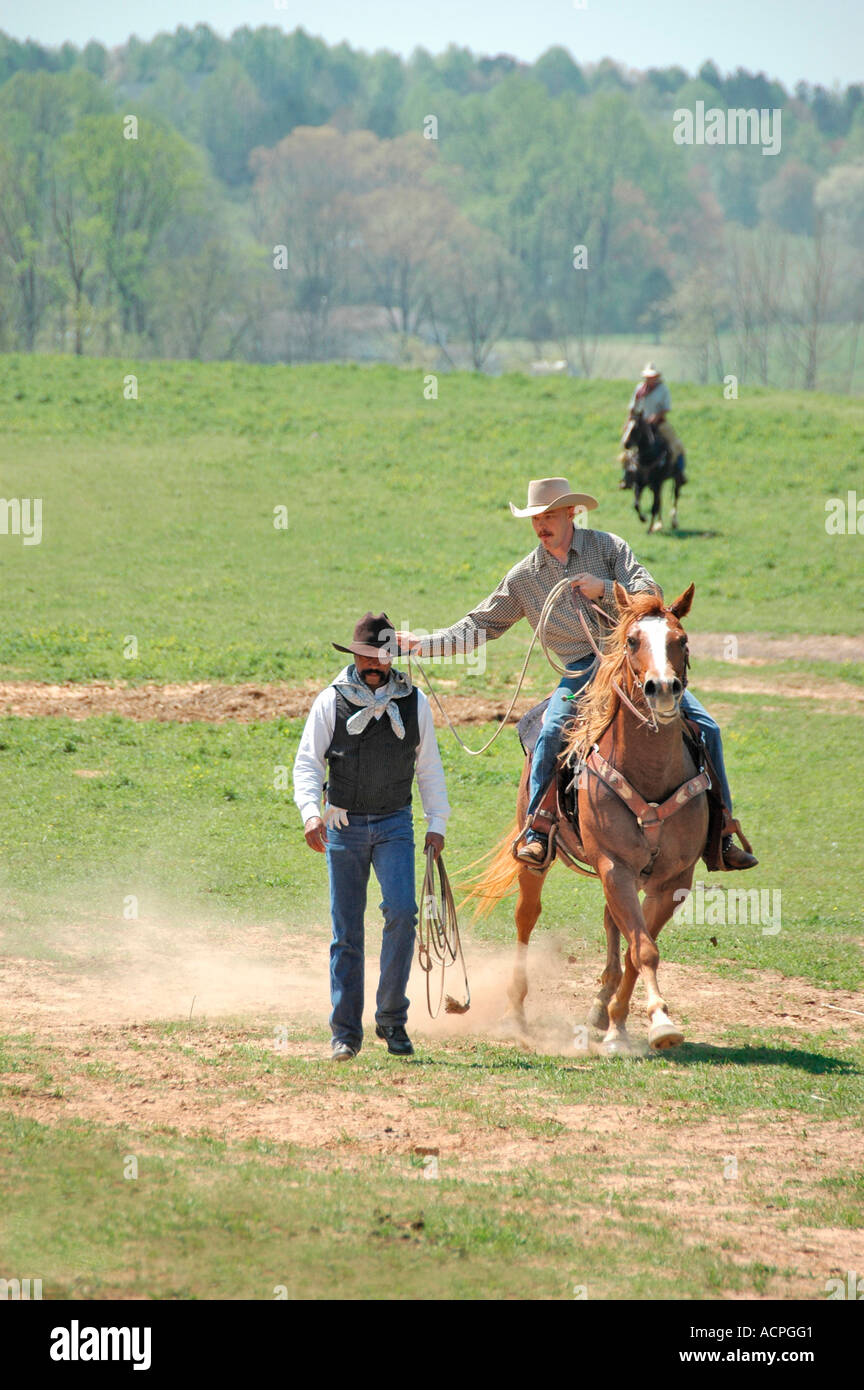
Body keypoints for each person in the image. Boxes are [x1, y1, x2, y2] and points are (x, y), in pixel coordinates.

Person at [396, 478, 756, 871]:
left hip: (630, 665)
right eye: (536, 518)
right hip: (581, 673)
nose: (541, 526)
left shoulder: (608, 548)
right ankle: (537, 827)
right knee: (552, 730)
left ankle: (721, 831)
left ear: (571, 513)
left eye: (549, 515)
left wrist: (605, 588)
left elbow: (650, 592)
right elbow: (481, 625)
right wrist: (421, 643)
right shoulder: (525, 578)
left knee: (708, 728)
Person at [293, 611, 451, 1061]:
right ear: (356, 657)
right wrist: (310, 814)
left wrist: (436, 822)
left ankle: (391, 1019)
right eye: (365, 656)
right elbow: (308, 763)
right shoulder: (331, 700)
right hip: (343, 824)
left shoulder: (414, 702)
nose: (373, 664)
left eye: (381, 655)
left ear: (392, 655)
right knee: (347, 931)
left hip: (394, 823)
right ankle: (345, 1033)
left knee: (403, 912)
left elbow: (428, 767)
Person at [629, 363, 687, 484]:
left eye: (651, 376)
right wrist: (630, 420)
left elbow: (666, 408)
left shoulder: (662, 389)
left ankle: (680, 474)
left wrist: (656, 416)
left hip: (659, 423)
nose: (649, 379)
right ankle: (627, 476)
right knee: (627, 444)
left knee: (677, 446)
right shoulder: (639, 389)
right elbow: (633, 406)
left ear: (656, 377)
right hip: (640, 424)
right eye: (647, 377)